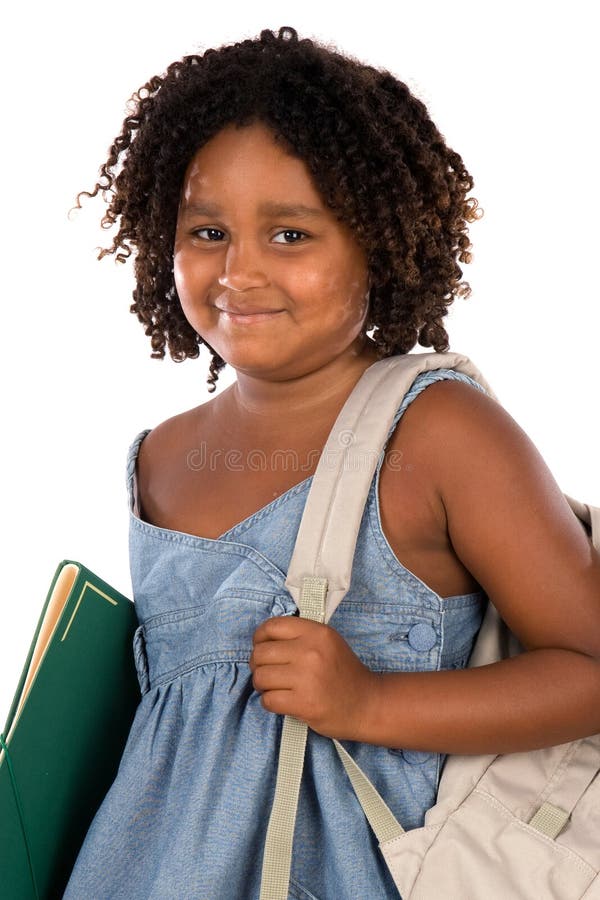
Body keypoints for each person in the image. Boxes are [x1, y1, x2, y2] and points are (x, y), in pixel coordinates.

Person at [63, 25, 600, 899]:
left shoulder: (439, 435)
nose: (239, 271)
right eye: (206, 231)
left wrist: (368, 705)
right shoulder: (158, 460)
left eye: (290, 235)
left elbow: (590, 666)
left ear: (378, 245)